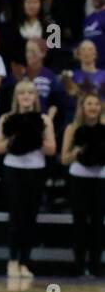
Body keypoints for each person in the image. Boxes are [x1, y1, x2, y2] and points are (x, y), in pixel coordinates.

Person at [0, 81, 55, 279]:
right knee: (16, 216)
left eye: (30, 93)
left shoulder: (44, 119)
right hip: (14, 169)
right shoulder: (7, 118)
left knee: (30, 217)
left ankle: (24, 262)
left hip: (35, 170)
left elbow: (52, 149)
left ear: (35, 96)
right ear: (16, 97)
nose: (26, 96)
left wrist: (34, 135)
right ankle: (12, 260)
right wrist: (15, 137)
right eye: (22, 93)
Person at [62, 91, 105, 277]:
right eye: (89, 104)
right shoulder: (72, 128)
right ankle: (79, 265)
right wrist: (77, 152)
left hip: (100, 179)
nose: (93, 107)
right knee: (79, 223)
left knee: (98, 224)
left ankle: (95, 266)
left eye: (96, 104)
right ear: (83, 107)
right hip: (79, 179)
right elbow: (64, 159)